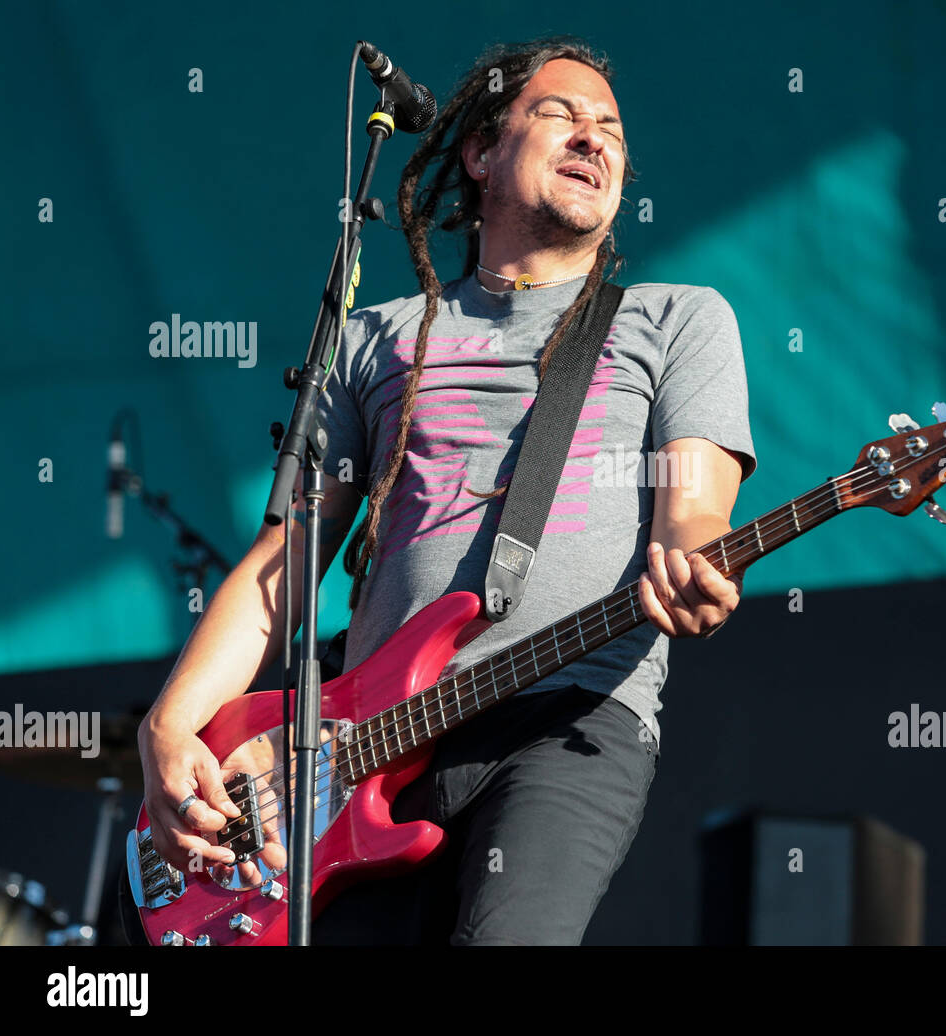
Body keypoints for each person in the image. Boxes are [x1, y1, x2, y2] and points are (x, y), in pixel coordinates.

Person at [132, 35, 757, 946]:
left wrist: (696, 563)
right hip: (361, 752)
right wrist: (173, 724)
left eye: (612, 128)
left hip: (567, 718)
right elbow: (284, 563)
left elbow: (695, 513)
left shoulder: (678, 319)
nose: (595, 138)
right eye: (562, 114)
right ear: (479, 152)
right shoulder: (374, 340)